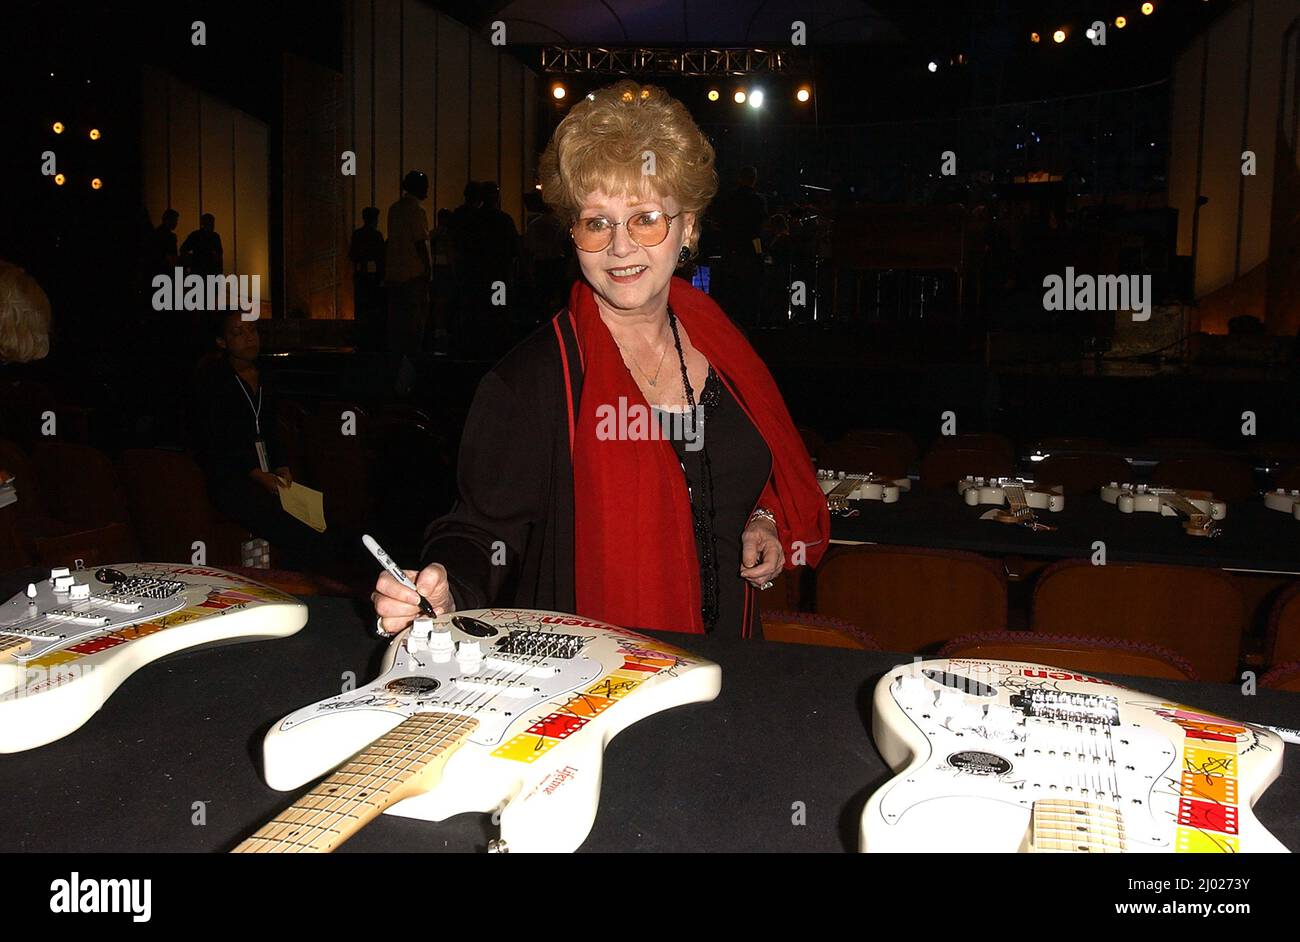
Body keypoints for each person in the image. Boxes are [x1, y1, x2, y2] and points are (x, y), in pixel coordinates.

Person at [372, 80, 829, 640]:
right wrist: (444, 585)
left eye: (644, 218)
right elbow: (481, 527)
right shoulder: (534, 380)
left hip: (734, 674)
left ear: (687, 228)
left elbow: (739, 472)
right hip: (598, 690)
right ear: (573, 233)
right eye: (597, 222)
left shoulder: (723, 346)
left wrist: (763, 520)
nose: (619, 247)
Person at [191, 310, 331, 572]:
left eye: (252, 330)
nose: (248, 338)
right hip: (232, 476)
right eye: (238, 333)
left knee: (316, 517)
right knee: (286, 525)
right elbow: (216, 441)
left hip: (266, 472)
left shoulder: (265, 375)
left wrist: (281, 465)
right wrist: (255, 473)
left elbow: (272, 429)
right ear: (222, 342)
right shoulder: (213, 379)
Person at [384, 171, 431, 392]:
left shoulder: (394, 210)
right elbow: (420, 242)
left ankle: (394, 379)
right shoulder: (417, 211)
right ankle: (409, 382)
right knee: (414, 333)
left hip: (394, 278)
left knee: (397, 331)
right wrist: (428, 270)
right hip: (413, 277)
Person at [349, 207, 386, 351]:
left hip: (361, 276)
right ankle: (372, 337)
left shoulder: (357, 235)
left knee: (360, 307)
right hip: (374, 277)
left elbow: (352, 255)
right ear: (375, 219)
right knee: (373, 306)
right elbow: (381, 258)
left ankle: (360, 337)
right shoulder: (377, 236)